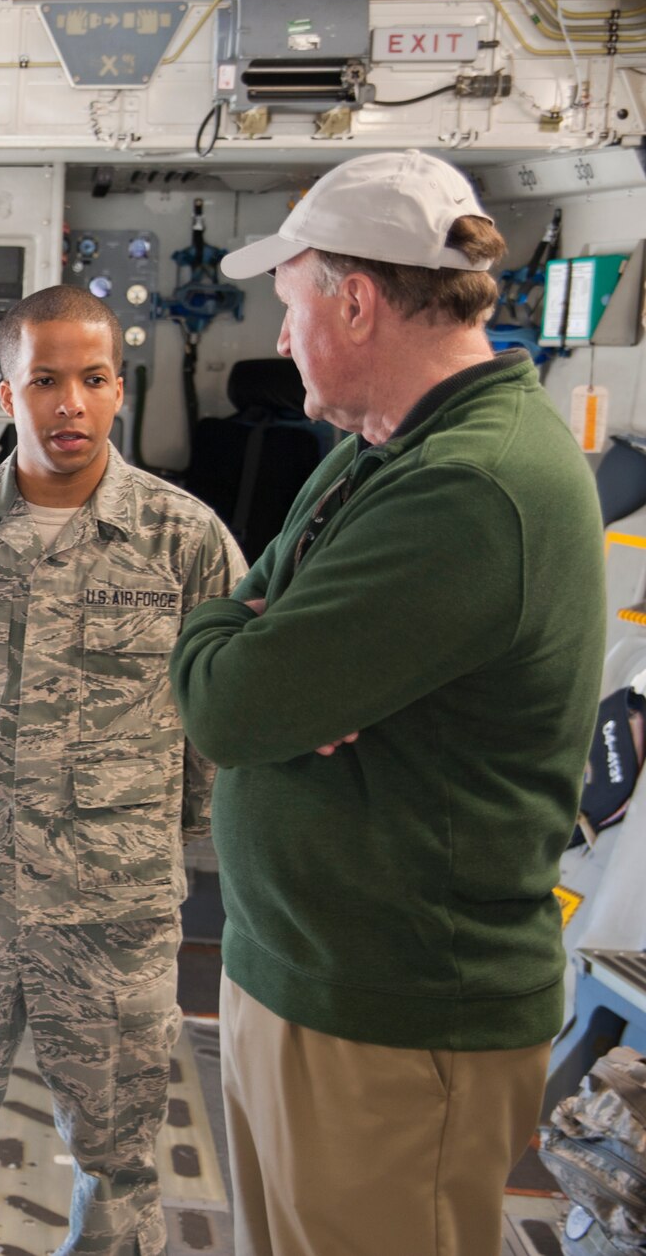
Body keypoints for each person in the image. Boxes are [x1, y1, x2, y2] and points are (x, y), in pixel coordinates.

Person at [170, 150, 605, 1256]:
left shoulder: (471, 484)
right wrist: (256, 639)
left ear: (352, 299)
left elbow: (226, 701)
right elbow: (244, 615)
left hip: (396, 1018)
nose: (278, 340)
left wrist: (254, 648)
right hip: (300, 975)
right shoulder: (376, 449)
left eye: (288, 304)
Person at [0, 284, 244, 1256]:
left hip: (111, 906)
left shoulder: (183, 538)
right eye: (44, 380)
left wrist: (152, 832)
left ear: (118, 390)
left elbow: (217, 715)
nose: (68, 402)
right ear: (7, 395)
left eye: (92, 378)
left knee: (117, 1153)